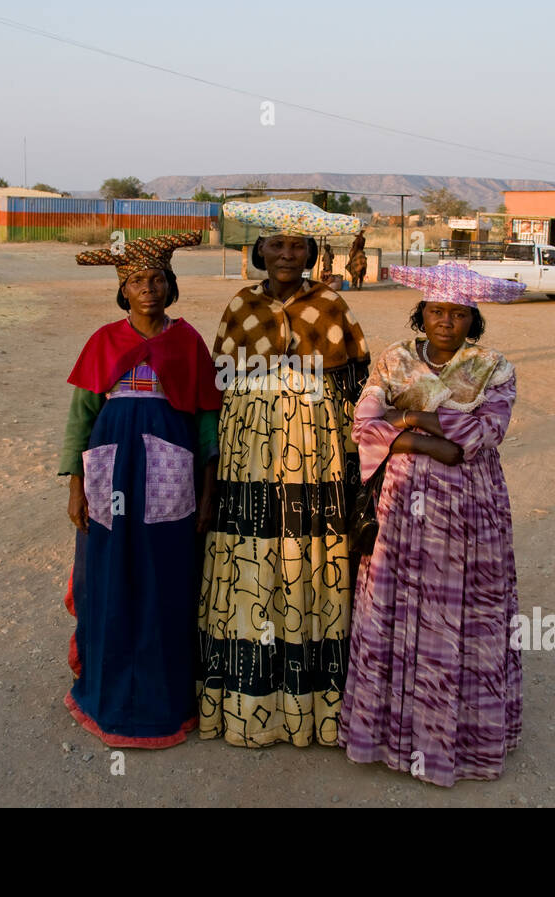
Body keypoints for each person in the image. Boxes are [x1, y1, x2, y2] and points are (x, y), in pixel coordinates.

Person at [338, 263, 525, 786]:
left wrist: (409, 417)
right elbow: (362, 425)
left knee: (463, 608)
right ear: (421, 313)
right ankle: (390, 735)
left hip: (470, 507)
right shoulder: (394, 359)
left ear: (473, 319)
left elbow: (487, 433)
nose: (446, 321)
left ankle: (456, 740)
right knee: (394, 604)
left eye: (458, 313)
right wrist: (427, 439)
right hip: (400, 502)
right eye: (437, 311)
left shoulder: (493, 368)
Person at [199, 200, 371, 747]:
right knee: (251, 546)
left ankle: (316, 701)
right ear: (260, 250)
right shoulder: (241, 304)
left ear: (312, 253)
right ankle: (248, 699)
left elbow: (358, 381)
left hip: (315, 448)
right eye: (277, 245)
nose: (287, 255)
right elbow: (219, 379)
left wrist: (353, 458)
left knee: (307, 544)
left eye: (298, 246)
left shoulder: (331, 303)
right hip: (249, 448)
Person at [59, 231, 223, 748]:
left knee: (164, 578)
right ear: (122, 291)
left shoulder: (188, 342)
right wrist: (75, 486)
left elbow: (207, 421)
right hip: (111, 469)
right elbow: (81, 417)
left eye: (157, 279)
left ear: (171, 286)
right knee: (110, 575)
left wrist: (209, 490)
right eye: (137, 281)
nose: (148, 288)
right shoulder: (103, 341)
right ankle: (106, 694)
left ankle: (163, 701)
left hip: (171, 472)